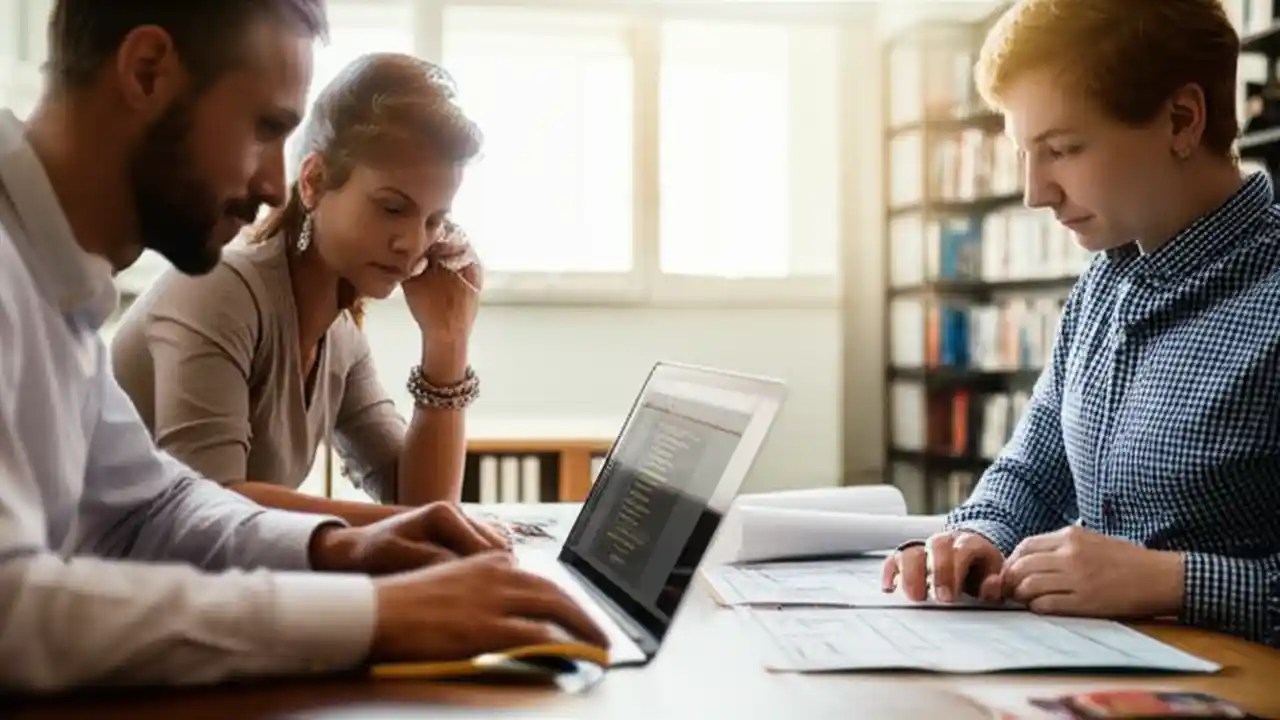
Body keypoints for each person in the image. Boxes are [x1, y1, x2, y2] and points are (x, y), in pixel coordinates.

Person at [0, 0, 605, 692]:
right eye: (264, 129)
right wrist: (371, 613)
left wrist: (342, 547)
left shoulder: (55, 285)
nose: (270, 185)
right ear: (146, 72)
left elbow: (150, 509)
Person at [881, 0, 1280, 647]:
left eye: (1061, 149)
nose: (1036, 192)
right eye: (1023, 154)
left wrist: (1170, 580)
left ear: (1182, 120)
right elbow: (1035, 465)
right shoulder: (1103, 280)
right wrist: (978, 534)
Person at [111, 53, 483, 526]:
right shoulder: (220, 286)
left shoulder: (340, 333)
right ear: (313, 181)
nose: (412, 243)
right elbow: (206, 508)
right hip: (96, 585)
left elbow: (422, 505)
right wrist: (405, 527)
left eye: (435, 221)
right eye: (392, 208)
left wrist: (447, 341)